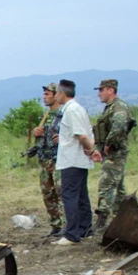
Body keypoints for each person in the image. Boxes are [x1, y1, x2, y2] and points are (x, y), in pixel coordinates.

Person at [51, 79, 95, 245]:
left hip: (72, 160)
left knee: (70, 196)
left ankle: (71, 234)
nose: (55, 96)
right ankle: (84, 228)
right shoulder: (78, 109)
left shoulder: (71, 110)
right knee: (82, 195)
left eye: (56, 93)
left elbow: (81, 135)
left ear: (62, 93)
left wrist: (90, 150)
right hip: (78, 160)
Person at [90, 79, 132, 232]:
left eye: (101, 90)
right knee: (118, 186)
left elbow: (119, 125)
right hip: (111, 152)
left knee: (106, 185)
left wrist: (108, 143)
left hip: (115, 152)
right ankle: (123, 216)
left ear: (110, 90)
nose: (99, 93)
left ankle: (102, 219)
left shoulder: (118, 106)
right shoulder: (110, 108)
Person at [31, 83, 64, 237]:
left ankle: (67, 225)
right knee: (48, 193)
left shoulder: (64, 114)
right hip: (44, 160)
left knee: (62, 192)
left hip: (58, 159)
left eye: (47, 94)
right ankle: (56, 225)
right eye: (44, 94)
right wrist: (36, 133)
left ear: (56, 95)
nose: (44, 97)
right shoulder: (46, 115)